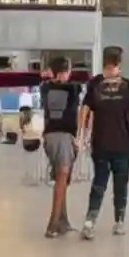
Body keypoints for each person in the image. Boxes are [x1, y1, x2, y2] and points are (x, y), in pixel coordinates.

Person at [77, 46, 129, 240]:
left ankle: (91, 222)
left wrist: (81, 136)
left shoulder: (95, 84)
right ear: (120, 64)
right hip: (122, 145)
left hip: (102, 144)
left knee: (100, 183)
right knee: (119, 185)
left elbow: (84, 111)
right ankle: (119, 221)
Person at [39, 56, 82, 237]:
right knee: (62, 176)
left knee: (62, 177)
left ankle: (62, 221)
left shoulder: (45, 87)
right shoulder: (73, 87)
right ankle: (53, 223)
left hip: (50, 135)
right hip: (63, 136)